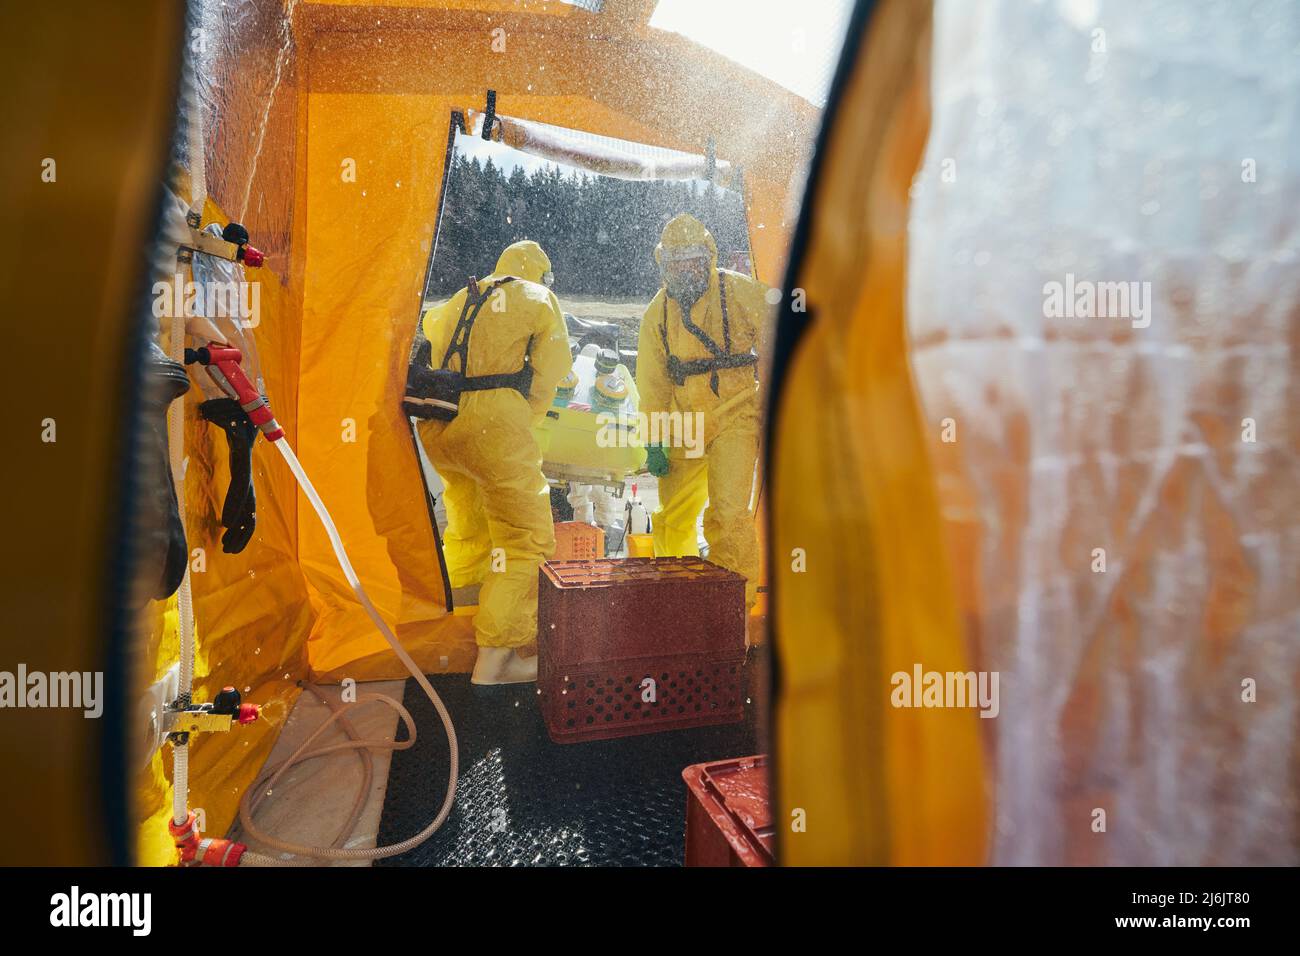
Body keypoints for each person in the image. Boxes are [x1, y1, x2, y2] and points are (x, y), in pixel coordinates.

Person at [416, 240, 572, 684]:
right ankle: (497, 661)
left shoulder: (461, 297)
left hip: (441, 426)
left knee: (469, 526)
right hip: (493, 428)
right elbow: (553, 368)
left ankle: (460, 624)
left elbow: (432, 335)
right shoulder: (538, 297)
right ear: (538, 273)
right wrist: (527, 419)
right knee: (525, 540)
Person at [635, 213, 769, 609]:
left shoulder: (740, 292)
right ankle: (676, 598)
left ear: (707, 257)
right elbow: (652, 385)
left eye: (691, 258)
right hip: (683, 421)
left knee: (728, 516)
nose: (683, 268)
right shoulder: (656, 313)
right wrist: (654, 440)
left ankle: (733, 612)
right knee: (673, 515)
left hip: (736, 414)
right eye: (674, 260)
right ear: (664, 263)